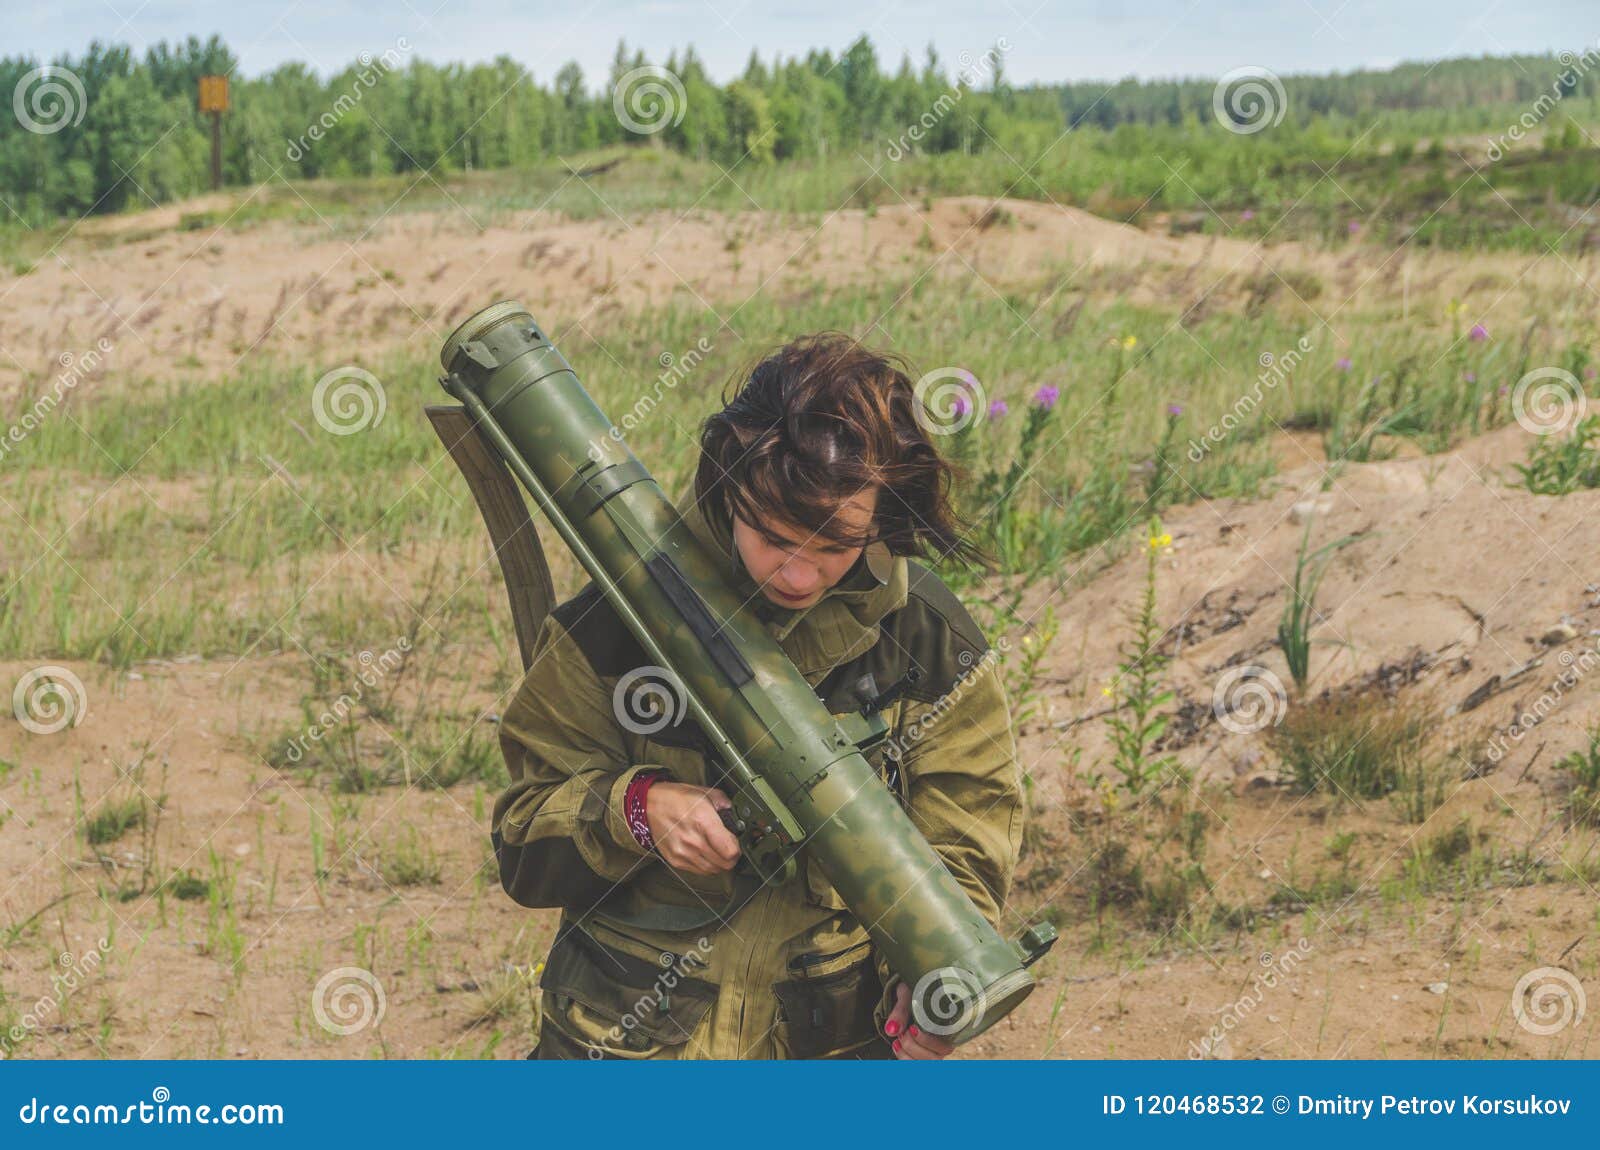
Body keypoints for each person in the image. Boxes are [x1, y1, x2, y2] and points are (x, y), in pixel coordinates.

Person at [491, 332, 1023, 1060]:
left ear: (881, 514)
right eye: (774, 537)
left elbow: (969, 837)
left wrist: (932, 976)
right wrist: (638, 810)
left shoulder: (928, 644)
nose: (799, 577)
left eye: (834, 546)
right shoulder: (616, 624)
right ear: (729, 483)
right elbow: (522, 839)